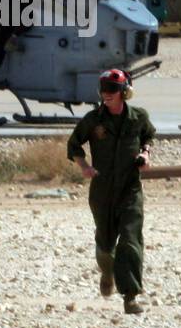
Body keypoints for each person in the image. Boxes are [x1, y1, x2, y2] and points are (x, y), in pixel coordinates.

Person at [66, 68, 155, 314]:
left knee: (130, 241)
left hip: (130, 189)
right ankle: (107, 273)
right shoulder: (93, 120)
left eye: (112, 90)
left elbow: (148, 136)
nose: (107, 94)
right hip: (102, 191)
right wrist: (84, 166)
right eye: (104, 89)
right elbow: (74, 145)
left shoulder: (139, 117)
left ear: (125, 92)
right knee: (106, 246)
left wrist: (145, 153)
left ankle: (130, 297)